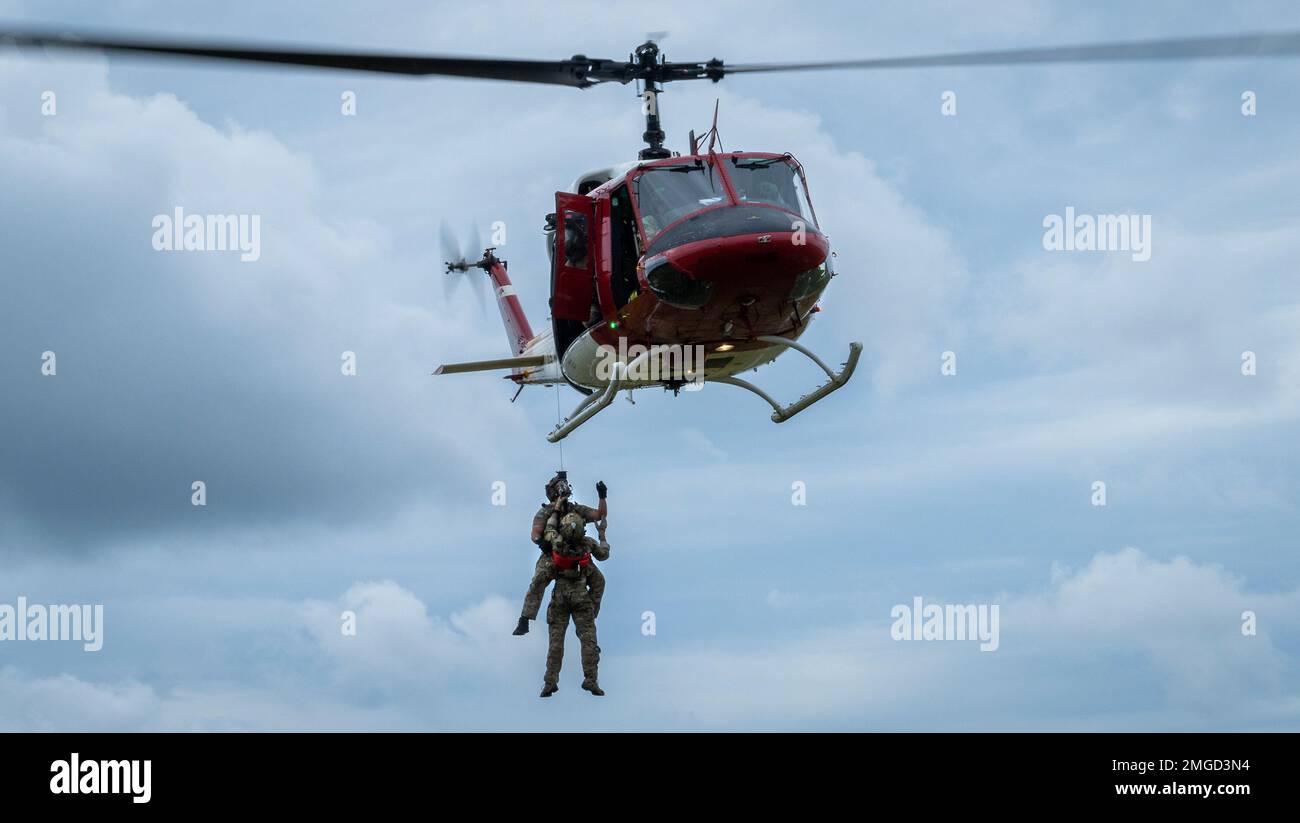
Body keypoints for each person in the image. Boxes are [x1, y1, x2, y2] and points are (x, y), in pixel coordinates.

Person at [513, 473, 607, 635]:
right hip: (554, 553)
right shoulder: (545, 512)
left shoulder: (576, 509)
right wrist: (545, 543)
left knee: (599, 581)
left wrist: (602, 496)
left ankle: (590, 613)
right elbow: (535, 534)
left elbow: (599, 515)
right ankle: (525, 618)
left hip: (577, 552)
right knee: (538, 580)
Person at [540, 512, 610, 698]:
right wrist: (602, 533)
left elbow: (548, 530)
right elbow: (603, 555)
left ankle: (550, 682)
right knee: (588, 642)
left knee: (555, 644)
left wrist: (555, 511)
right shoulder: (587, 544)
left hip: (560, 600)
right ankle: (591, 680)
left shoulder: (557, 543)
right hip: (582, 601)